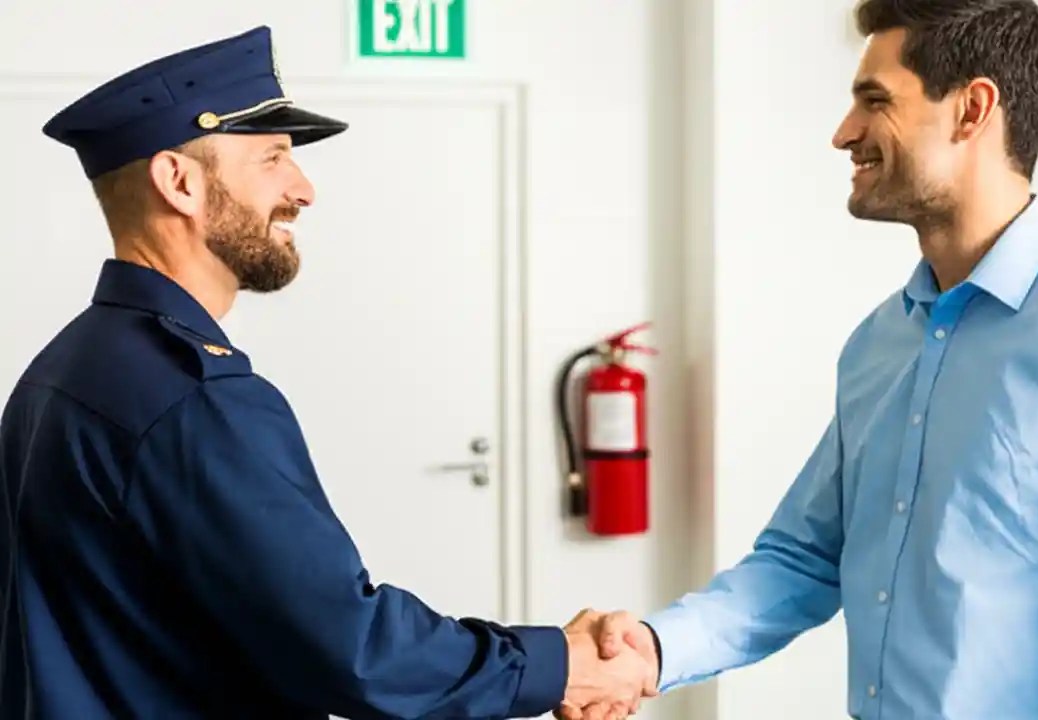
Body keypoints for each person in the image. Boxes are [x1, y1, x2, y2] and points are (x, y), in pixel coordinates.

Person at [563, 0, 1038, 718]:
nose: (844, 132)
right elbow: (802, 558)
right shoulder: (880, 343)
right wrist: (653, 649)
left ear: (971, 110)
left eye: (875, 100)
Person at [0, 26, 651, 720]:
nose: (303, 189)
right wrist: (558, 667)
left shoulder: (67, 366)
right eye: (273, 158)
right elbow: (351, 650)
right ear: (179, 182)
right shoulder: (193, 398)